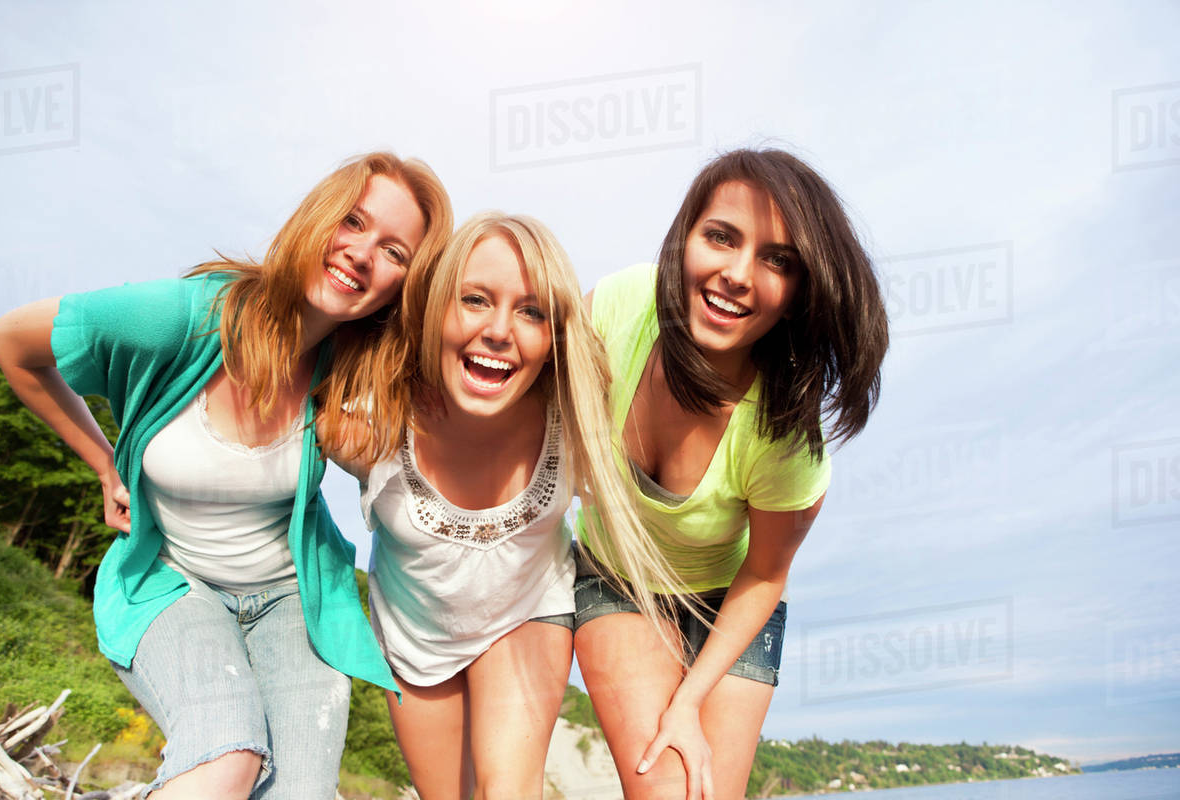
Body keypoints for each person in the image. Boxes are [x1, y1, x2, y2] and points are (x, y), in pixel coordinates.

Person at [0, 152, 453, 800]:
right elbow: (12, 342)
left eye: (395, 251)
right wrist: (102, 463)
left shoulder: (353, 372)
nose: (362, 253)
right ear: (317, 217)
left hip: (291, 601)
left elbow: (434, 475)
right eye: (352, 221)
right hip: (174, 583)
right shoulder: (177, 317)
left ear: (404, 283)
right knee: (227, 757)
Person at [328, 211, 680, 800]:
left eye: (531, 311)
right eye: (474, 300)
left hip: (526, 611)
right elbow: (268, 392)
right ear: (436, 309)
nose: (499, 330)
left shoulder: (572, 421)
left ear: (553, 337)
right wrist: (116, 463)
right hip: (416, 638)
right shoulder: (367, 424)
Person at [572, 148, 889, 800]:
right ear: (685, 237)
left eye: (778, 260)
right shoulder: (619, 306)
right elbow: (523, 393)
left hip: (733, 604)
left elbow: (767, 573)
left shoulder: (785, 439)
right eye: (721, 236)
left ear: (801, 292)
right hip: (618, 580)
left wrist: (690, 701)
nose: (737, 274)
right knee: (664, 790)